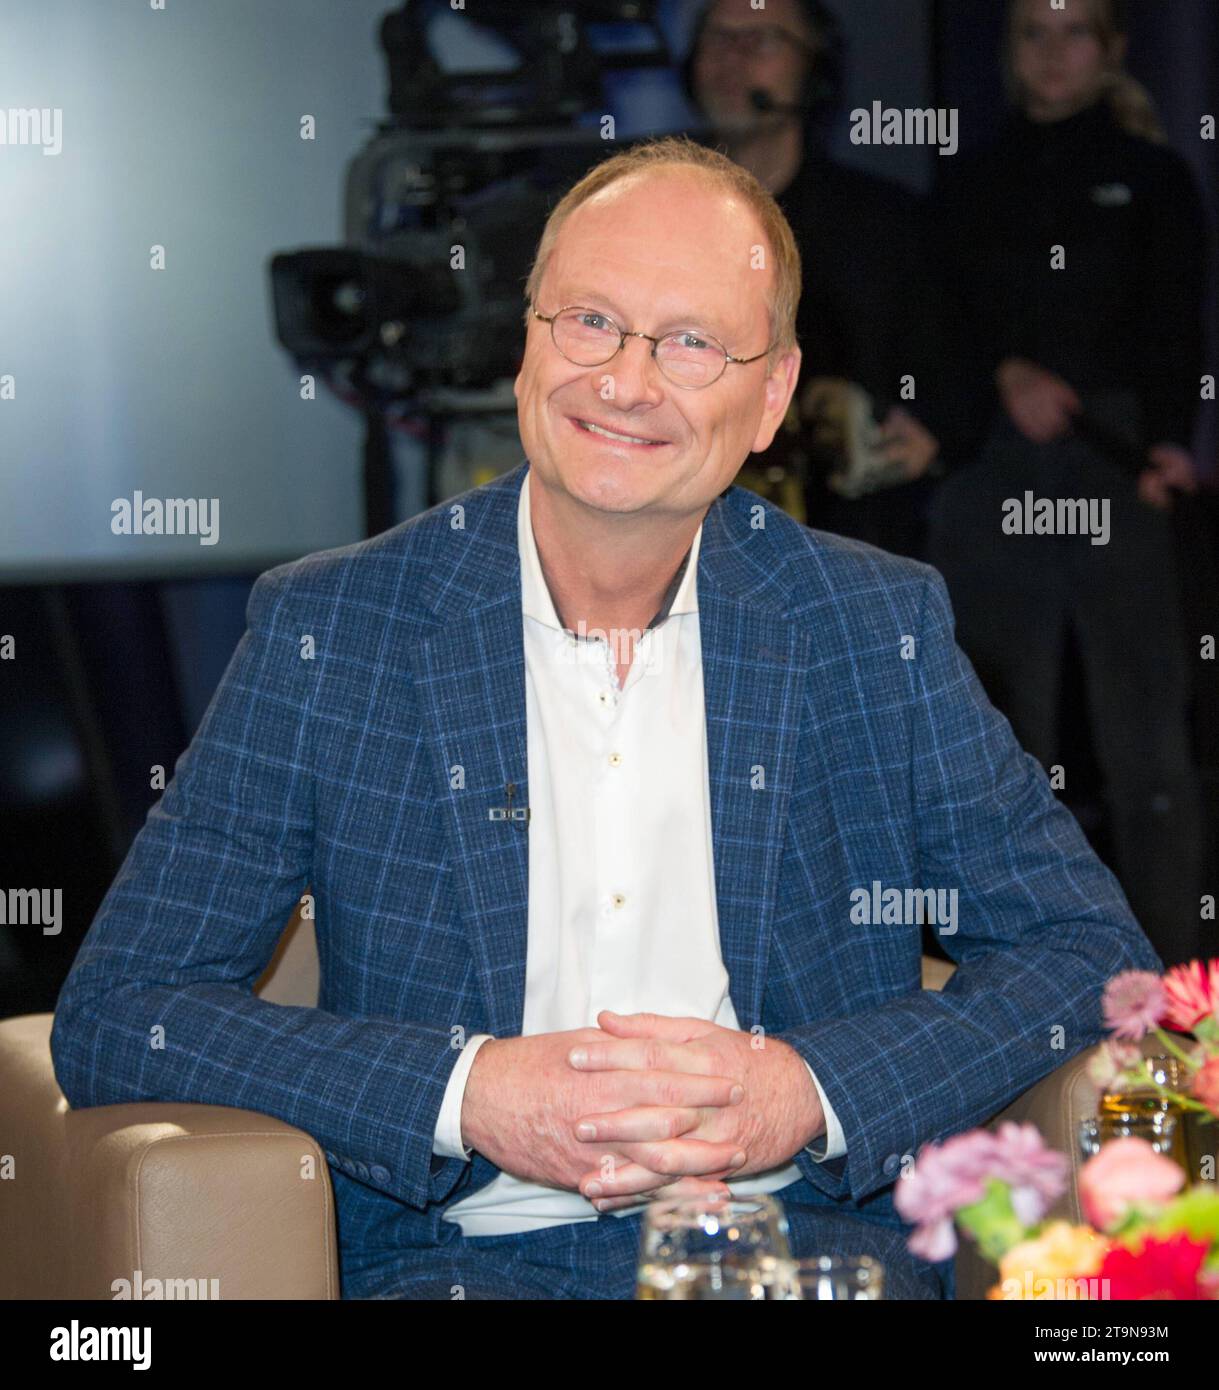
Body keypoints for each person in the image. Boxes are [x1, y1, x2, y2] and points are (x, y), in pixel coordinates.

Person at [50, 136, 1159, 1302]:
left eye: (689, 343)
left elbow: (1091, 954)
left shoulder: (870, 625)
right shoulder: (335, 629)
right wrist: (466, 1090)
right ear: (526, 341)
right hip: (457, 1265)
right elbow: (124, 1012)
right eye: (589, 321)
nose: (626, 382)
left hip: (796, 1257)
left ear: (771, 394)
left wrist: (806, 1090)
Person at [926, 0, 1208, 966]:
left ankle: (1179, 1011)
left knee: (1147, 747)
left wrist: (1169, 440)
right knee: (998, 751)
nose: (1054, 52)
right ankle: (1007, 996)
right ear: (1005, 52)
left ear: (1113, 48)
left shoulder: (1153, 177)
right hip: (993, 474)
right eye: (1032, 32)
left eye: (1076, 30)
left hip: (1117, 465)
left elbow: (1177, 321)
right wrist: (1004, 372)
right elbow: (939, 327)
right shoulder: (967, 184)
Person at [685, 0, 954, 558]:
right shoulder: (654, 216)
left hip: (839, 549)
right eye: (719, 40)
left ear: (814, 76)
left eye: (760, 41)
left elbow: (949, 374)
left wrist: (926, 428)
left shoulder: (886, 224)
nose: (733, 60)